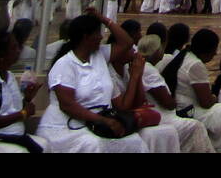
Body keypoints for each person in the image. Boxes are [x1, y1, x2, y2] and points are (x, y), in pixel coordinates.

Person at [39, 9, 147, 152]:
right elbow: (68, 105)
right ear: (86, 37)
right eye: (97, 33)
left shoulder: (99, 56)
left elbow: (127, 42)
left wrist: (103, 19)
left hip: (98, 124)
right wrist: (102, 120)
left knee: (135, 142)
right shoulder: (64, 64)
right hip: (66, 128)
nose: (101, 37)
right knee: (94, 145)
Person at [164, 27, 221, 153]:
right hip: (187, 110)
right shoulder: (196, 64)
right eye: (214, 49)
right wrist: (213, 97)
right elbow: (206, 102)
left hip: (183, 106)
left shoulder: (186, 55)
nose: (215, 53)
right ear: (207, 50)